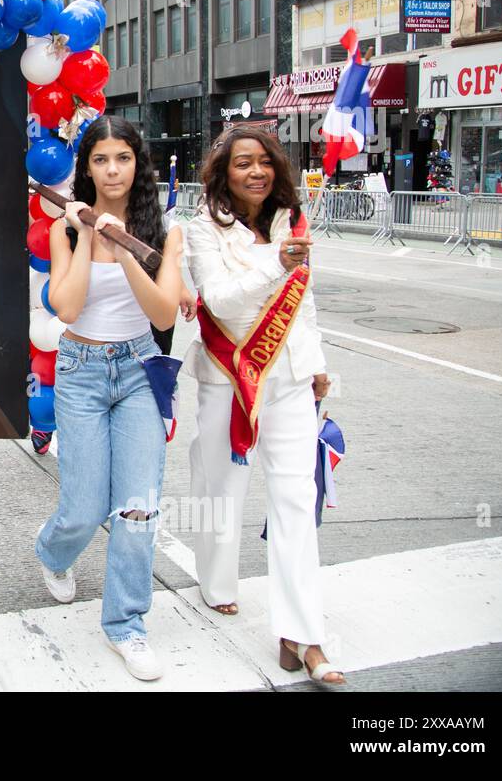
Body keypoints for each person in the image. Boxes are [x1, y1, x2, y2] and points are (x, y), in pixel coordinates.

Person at [183, 126, 345, 686]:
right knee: (220, 486)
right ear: (223, 173)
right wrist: (277, 261)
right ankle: (217, 581)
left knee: (296, 498)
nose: (256, 172)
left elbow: (306, 303)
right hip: (230, 376)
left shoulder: (288, 221)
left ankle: (303, 634)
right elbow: (221, 300)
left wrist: (318, 361)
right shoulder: (202, 228)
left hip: (291, 376)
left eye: (264, 162)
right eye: (242, 164)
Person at [35, 116, 187, 682]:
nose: (113, 170)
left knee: (138, 505)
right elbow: (67, 308)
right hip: (81, 371)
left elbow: (164, 313)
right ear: (87, 167)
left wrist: (122, 246)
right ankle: (53, 551)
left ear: (138, 164)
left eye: (123, 158)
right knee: (83, 507)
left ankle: (126, 623)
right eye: (101, 160)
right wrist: (89, 234)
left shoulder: (167, 232)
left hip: (139, 370)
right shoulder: (66, 230)